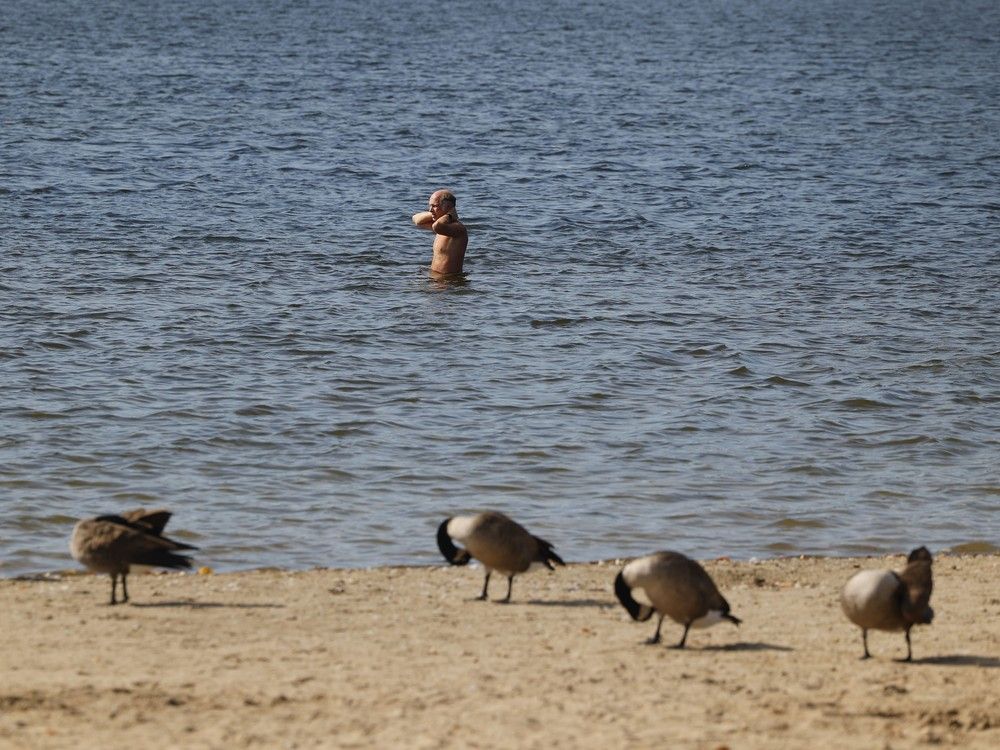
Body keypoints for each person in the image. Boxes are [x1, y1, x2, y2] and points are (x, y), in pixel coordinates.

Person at [411, 189, 468, 275]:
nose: (430, 210)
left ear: (448, 207)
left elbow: (437, 227)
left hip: (449, 282)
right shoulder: (440, 224)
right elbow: (416, 219)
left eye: (434, 206)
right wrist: (436, 214)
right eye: (430, 206)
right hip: (436, 279)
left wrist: (449, 215)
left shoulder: (458, 229)